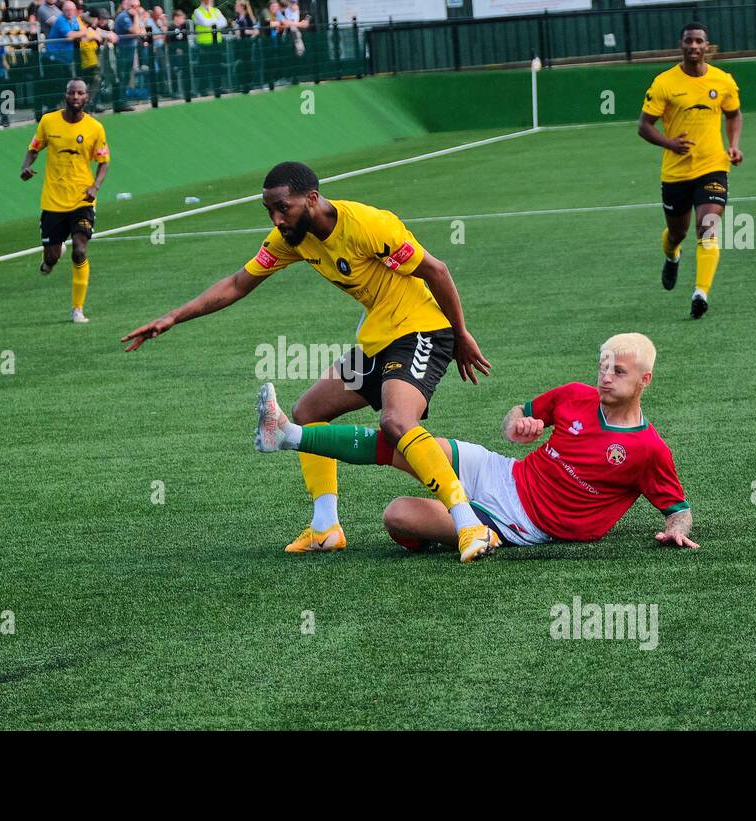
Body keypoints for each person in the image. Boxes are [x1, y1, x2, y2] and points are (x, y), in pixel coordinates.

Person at [122, 162, 494, 557]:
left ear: (312, 199)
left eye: (282, 208)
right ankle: (325, 527)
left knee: (396, 421)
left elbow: (437, 270)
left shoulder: (369, 225)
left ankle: (469, 524)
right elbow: (237, 283)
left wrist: (461, 334)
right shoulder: (291, 238)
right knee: (309, 410)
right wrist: (172, 318)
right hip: (377, 340)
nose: (276, 219)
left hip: (421, 330)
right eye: (269, 210)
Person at [254, 333, 697, 562]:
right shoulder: (573, 394)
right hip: (501, 471)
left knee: (396, 517)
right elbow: (514, 415)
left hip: (516, 522)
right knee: (398, 436)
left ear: (644, 380)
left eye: (617, 372)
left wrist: (677, 528)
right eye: (602, 367)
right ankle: (288, 434)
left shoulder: (647, 448)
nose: (604, 377)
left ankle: (463, 530)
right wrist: (516, 426)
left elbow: (676, 506)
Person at [638, 21, 742, 320]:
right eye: (689, 41)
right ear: (681, 45)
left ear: (707, 46)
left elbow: (734, 115)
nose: (694, 46)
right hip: (676, 172)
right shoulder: (664, 83)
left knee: (707, 226)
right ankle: (672, 255)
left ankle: (701, 293)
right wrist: (669, 143)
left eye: (699, 41)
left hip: (713, 166)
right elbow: (644, 126)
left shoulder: (723, 81)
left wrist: (733, 145)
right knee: (677, 232)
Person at [19, 78, 111, 325]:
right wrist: (26, 167)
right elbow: (34, 148)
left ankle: (77, 309)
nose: (76, 97)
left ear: (86, 97)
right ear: (66, 96)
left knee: (80, 249)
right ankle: (49, 260)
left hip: (82, 199)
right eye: (72, 93)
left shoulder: (95, 128)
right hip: (53, 200)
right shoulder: (48, 121)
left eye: (81, 93)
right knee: (52, 257)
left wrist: (95, 186)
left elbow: (103, 162)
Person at [191, 0, 225, 97]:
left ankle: (218, 88)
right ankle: (203, 89)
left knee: (217, 66)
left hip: (216, 43)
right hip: (204, 44)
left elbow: (224, 22)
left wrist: (212, 21)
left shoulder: (216, 10)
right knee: (204, 67)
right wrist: (216, 21)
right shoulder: (197, 11)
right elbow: (205, 22)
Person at [112, 0, 140, 111]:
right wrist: (137, 16)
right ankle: (119, 103)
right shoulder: (124, 17)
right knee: (122, 76)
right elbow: (135, 31)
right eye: (133, 6)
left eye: (137, 6)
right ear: (129, 6)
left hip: (130, 49)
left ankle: (123, 102)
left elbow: (141, 30)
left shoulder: (133, 17)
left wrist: (137, 22)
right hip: (123, 50)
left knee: (127, 75)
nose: (135, 8)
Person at [231, 0, 257, 93]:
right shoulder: (237, 17)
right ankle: (240, 84)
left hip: (247, 44)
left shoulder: (248, 17)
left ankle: (248, 85)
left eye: (237, 5)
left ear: (242, 7)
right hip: (239, 45)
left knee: (246, 64)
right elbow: (237, 32)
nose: (235, 7)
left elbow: (255, 31)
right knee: (239, 65)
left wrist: (243, 31)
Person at [164, 7, 189, 96]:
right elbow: (168, 41)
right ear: (176, 17)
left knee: (185, 71)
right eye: (182, 18)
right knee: (174, 71)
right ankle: (175, 91)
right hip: (173, 54)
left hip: (184, 53)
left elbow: (186, 40)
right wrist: (176, 49)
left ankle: (187, 91)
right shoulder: (170, 28)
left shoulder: (183, 27)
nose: (183, 20)